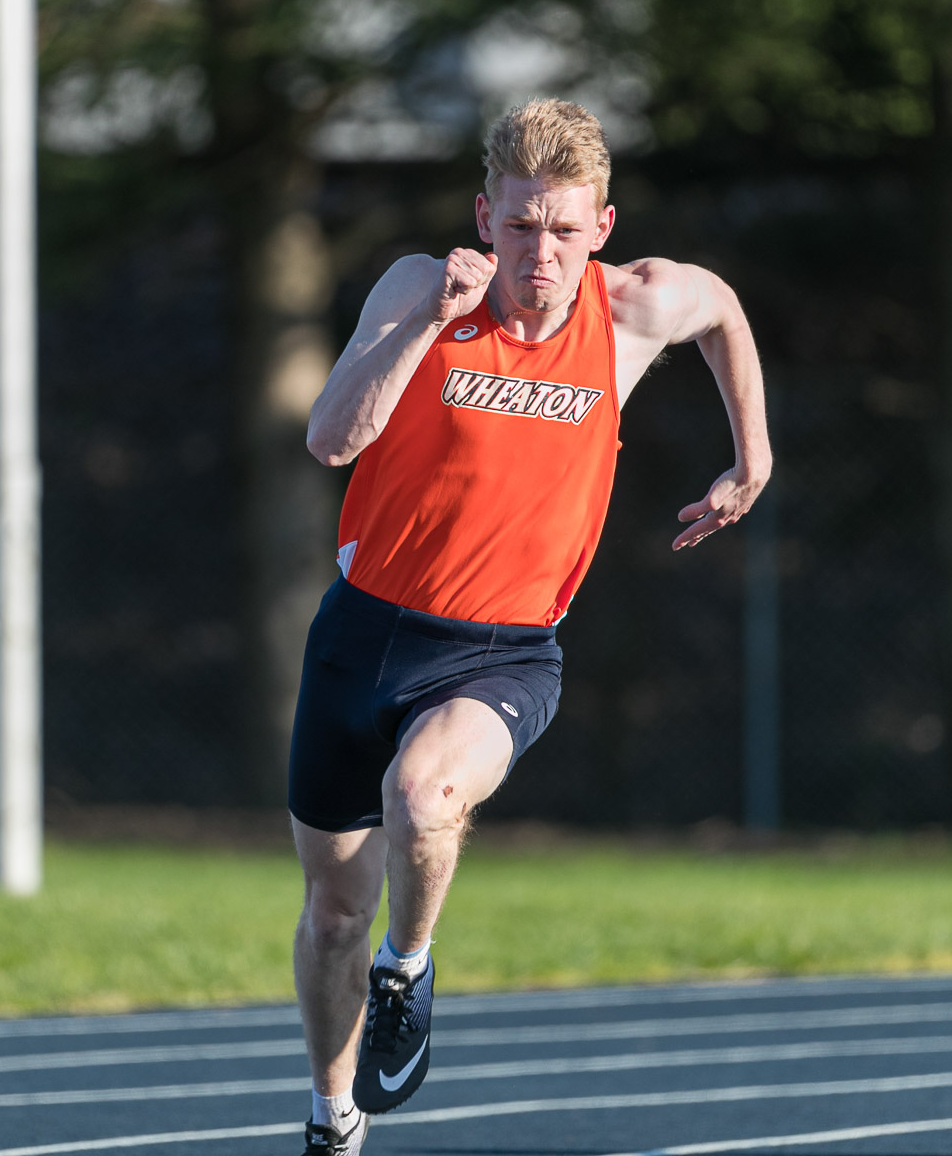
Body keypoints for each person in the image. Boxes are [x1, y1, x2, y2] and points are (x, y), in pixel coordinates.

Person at [290, 99, 769, 1155]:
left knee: (424, 797)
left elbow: (725, 307)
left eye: (562, 229)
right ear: (484, 214)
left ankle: (407, 966)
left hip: (501, 647)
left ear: (601, 225)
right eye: (517, 227)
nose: (538, 253)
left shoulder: (636, 306)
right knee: (332, 908)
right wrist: (424, 327)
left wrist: (753, 455)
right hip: (362, 634)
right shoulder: (425, 287)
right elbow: (332, 437)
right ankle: (332, 1115)